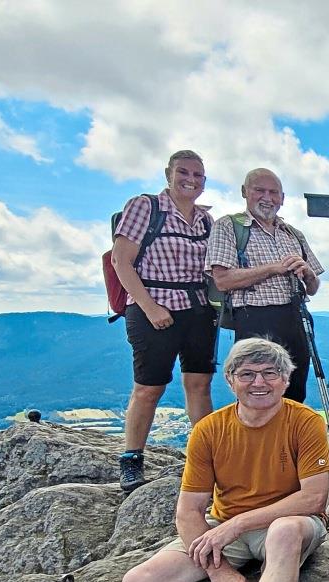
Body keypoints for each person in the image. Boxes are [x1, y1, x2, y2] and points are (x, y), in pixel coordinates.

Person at [114, 338, 329, 582]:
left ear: (285, 379)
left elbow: (313, 499)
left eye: (270, 373)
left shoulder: (305, 422)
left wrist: (238, 523)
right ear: (230, 381)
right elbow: (189, 512)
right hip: (225, 525)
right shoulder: (209, 430)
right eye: (247, 374)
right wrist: (220, 573)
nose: (259, 382)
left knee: (284, 531)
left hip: (286, 522)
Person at [111, 149, 217, 493]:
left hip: (199, 309)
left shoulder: (205, 220)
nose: (191, 179)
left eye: (198, 175)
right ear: (168, 174)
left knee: (199, 384)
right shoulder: (145, 207)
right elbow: (121, 260)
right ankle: (131, 459)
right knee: (148, 387)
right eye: (184, 172)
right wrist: (149, 306)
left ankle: (206, 456)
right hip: (153, 306)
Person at [206, 167, 323, 403]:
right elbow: (223, 279)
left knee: (294, 387)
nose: (267, 197)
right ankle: (258, 440)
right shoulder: (228, 226)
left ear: (282, 198)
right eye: (259, 190)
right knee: (256, 390)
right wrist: (273, 268)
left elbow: (312, 287)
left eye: (274, 192)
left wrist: (308, 273)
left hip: (295, 316)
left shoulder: (293, 234)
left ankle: (288, 440)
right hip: (254, 317)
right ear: (244, 192)